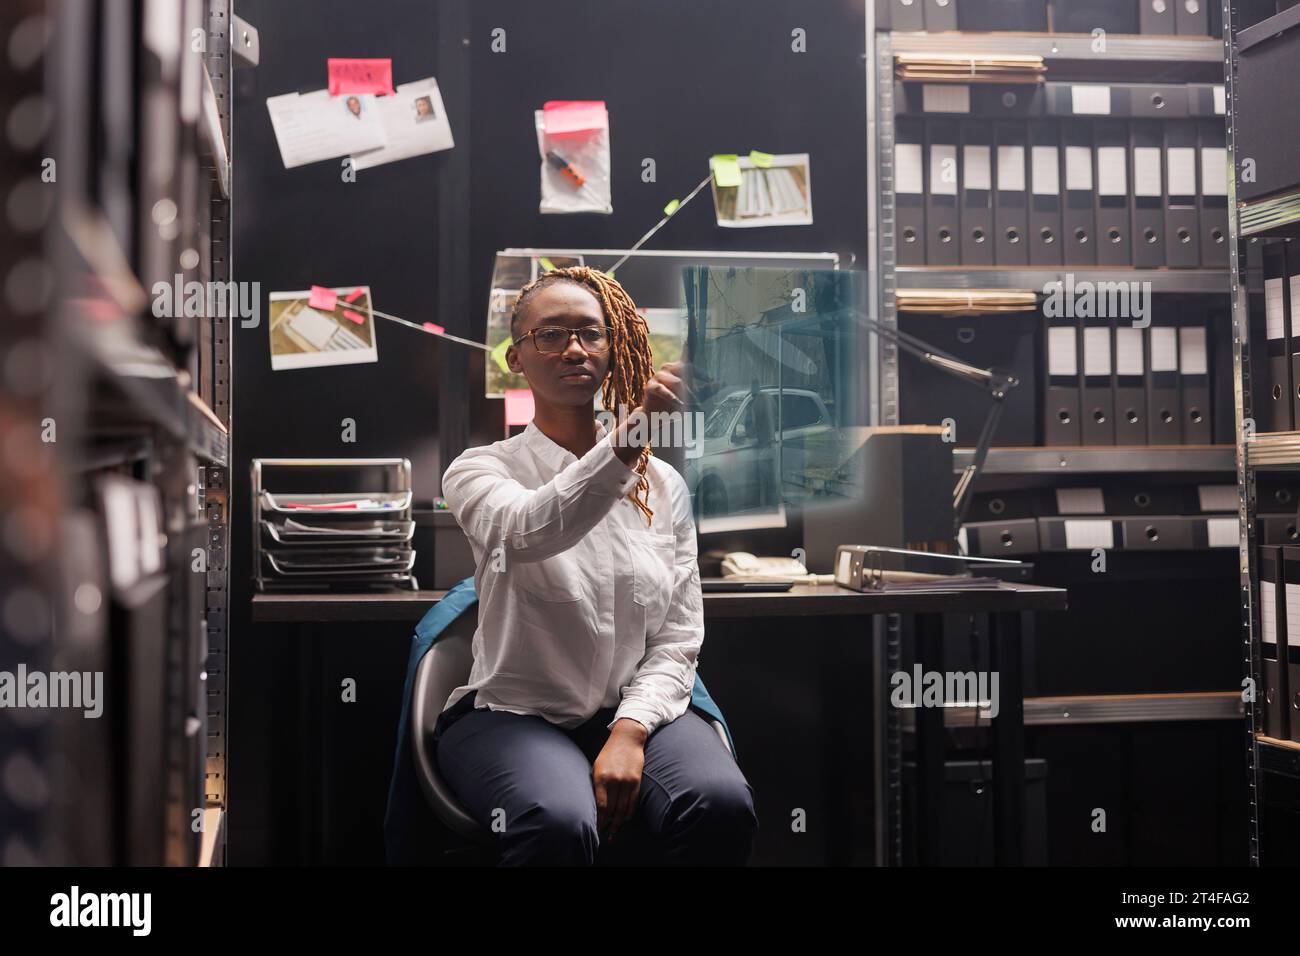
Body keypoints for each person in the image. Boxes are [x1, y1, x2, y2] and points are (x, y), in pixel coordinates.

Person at [438, 266, 758, 865]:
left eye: (591, 333)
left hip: (633, 709)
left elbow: (677, 638)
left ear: (615, 351)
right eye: (550, 335)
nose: (574, 349)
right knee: (556, 822)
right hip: (514, 714)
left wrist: (631, 730)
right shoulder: (479, 470)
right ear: (515, 357)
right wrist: (629, 439)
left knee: (720, 802)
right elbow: (529, 530)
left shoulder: (662, 486)